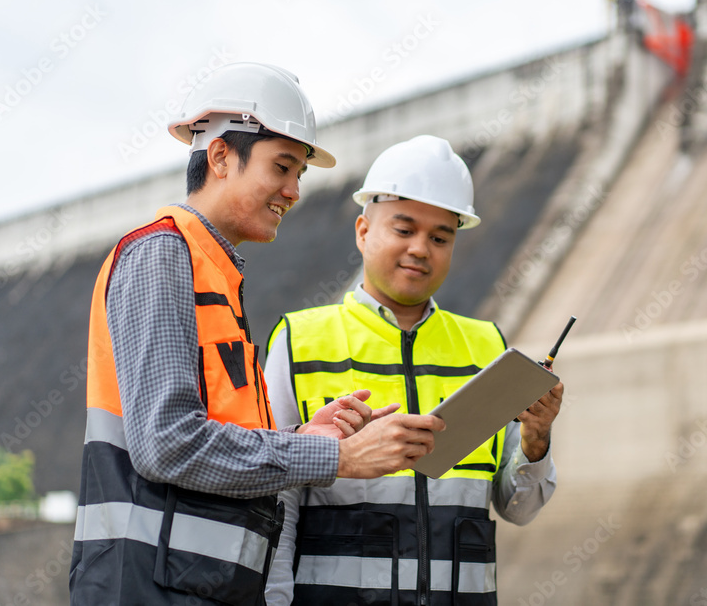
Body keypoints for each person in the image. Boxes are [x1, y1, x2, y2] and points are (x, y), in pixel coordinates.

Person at [70, 63, 445, 606]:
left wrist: (308, 439)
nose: (294, 191)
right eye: (283, 167)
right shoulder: (161, 256)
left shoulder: (215, 275)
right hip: (148, 589)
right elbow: (168, 444)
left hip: (197, 587)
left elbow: (211, 438)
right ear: (221, 156)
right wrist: (339, 460)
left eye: (299, 174)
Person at [264, 135, 564, 605]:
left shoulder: (486, 346)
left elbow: (519, 508)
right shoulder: (300, 342)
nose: (421, 249)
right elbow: (274, 501)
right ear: (363, 231)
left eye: (440, 237)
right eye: (404, 230)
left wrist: (536, 440)